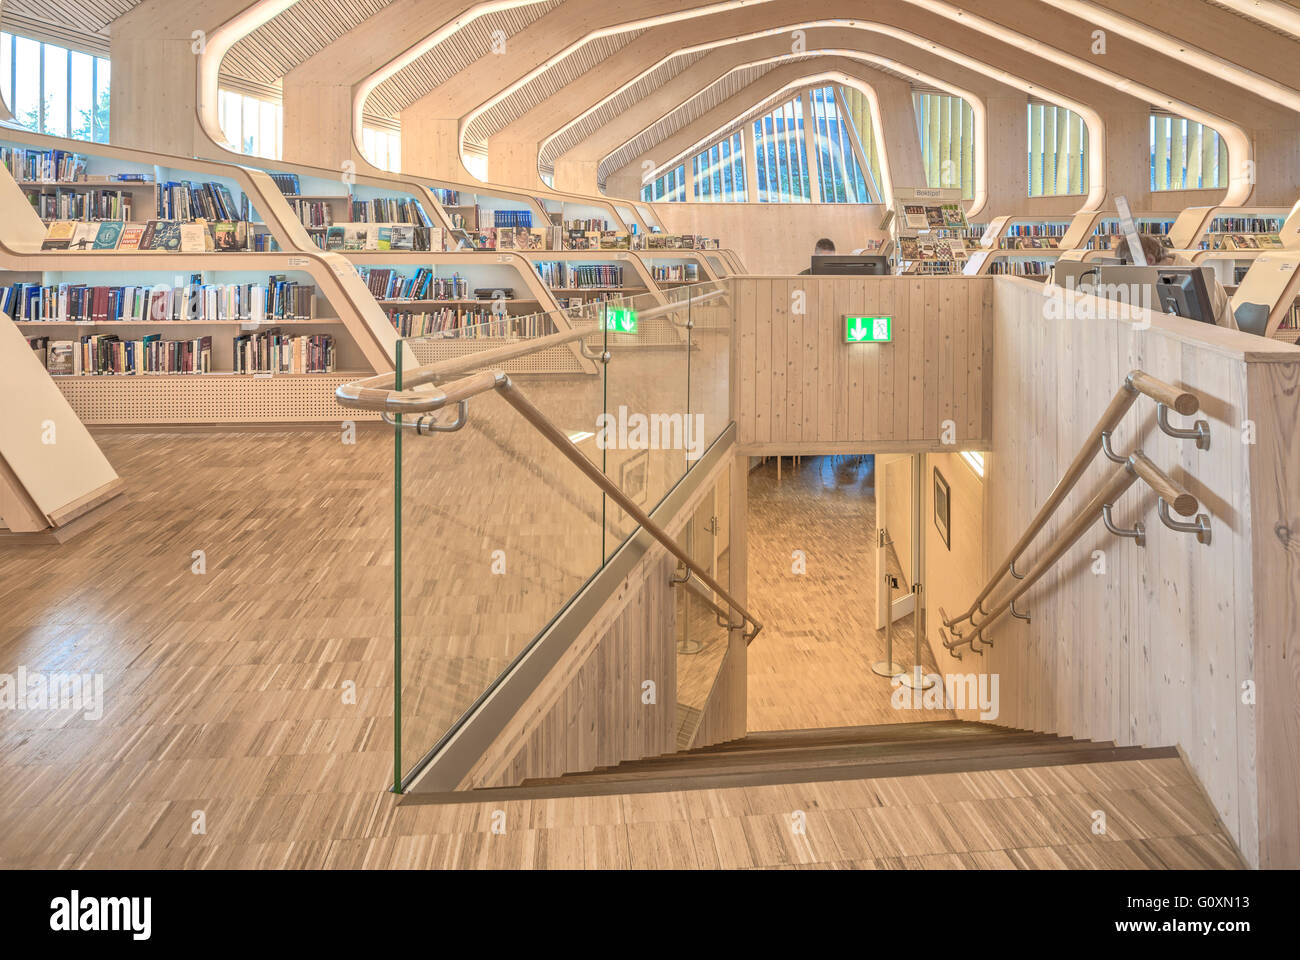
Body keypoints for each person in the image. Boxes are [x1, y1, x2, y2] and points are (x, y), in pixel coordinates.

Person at [1136, 233, 1234, 328]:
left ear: (1149, 260)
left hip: (1218, 339)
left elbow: (1201, 329)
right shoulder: (1167, 275)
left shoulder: (1196, 279)